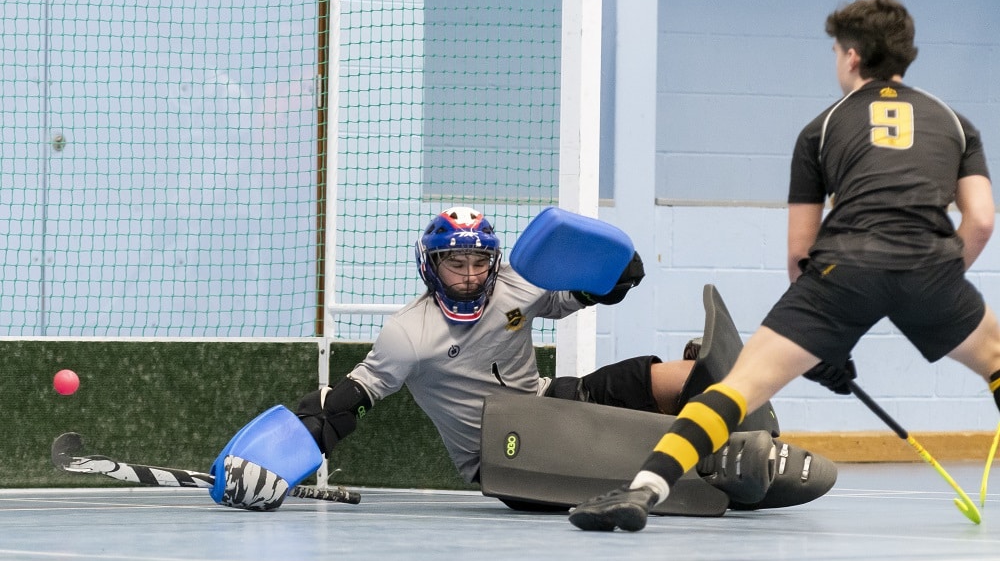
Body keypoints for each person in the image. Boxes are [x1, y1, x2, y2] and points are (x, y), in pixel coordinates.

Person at [568, 0, 1000, 532]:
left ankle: (642, 492)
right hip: (933, 265)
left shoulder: (821, 128)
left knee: (737, 387)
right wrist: (936, 280)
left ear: (850, 57)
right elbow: (981, 221)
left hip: (842, 270)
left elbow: (800, 251)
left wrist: (822, 343)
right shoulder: (957, 124)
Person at [295, 206, 827, 512]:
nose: (469, 274)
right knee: (634, 440)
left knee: (682, 375)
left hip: (552, 402)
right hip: (507, 456)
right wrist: (282, 455)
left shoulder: (512, 287)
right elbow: (347, 405)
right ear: (432, 266)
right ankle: (716, 468)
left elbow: (575, 296)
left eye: (479, 261)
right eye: (455, 262)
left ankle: (734, 430)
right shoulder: (407, 334)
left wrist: (613, 277)